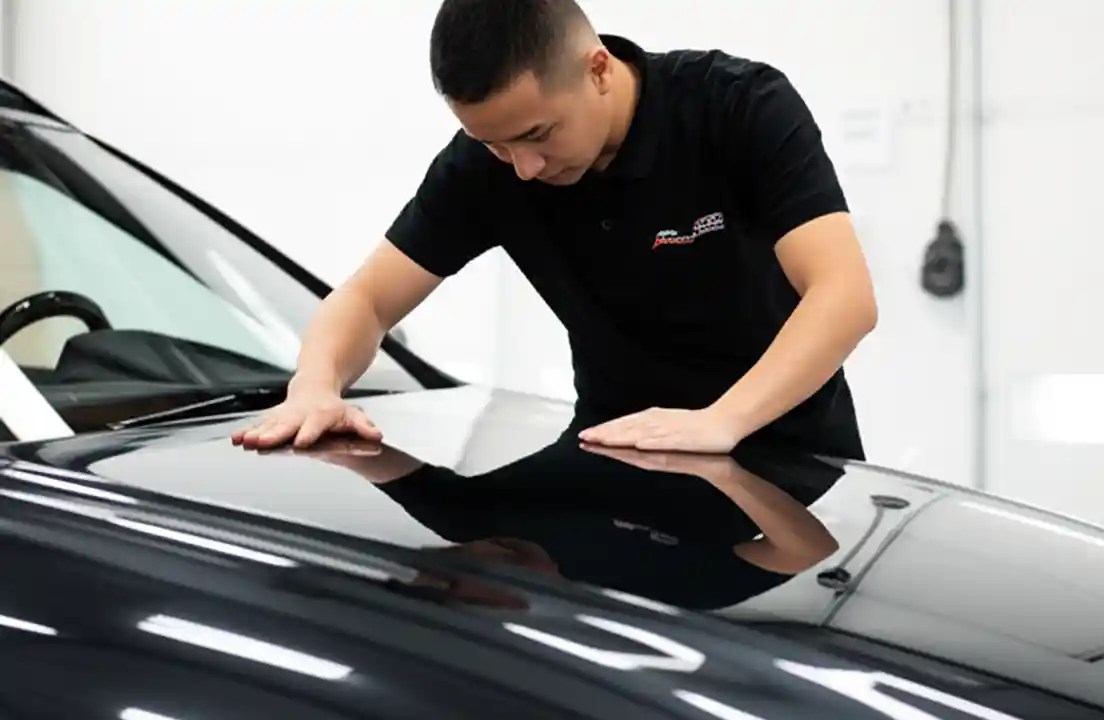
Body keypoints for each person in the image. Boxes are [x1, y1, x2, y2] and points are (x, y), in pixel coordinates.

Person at [232, 0, 877, 458]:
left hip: (791, 460)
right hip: (615, 456)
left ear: (598, 69)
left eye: (538, 134)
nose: (524, 167)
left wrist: (722, 421)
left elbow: (844, 296)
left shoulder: (738, 106)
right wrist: (313, 386)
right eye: (495, 144)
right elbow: (368, 299)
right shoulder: (485, 166)